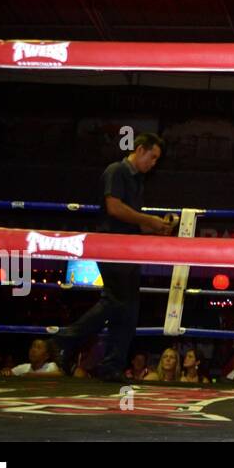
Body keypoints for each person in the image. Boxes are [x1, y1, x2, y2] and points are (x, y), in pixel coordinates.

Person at [56, 134, 175, 383]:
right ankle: (63, 340)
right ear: (140, 149)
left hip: (129, 248)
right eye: (152, 157)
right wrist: (147, 220)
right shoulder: (117, 170)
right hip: (111, 246)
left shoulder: (138, 180)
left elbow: (132, 220)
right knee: (116, 301)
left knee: (129, 310)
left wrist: (158, 226)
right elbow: (115, 208)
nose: (153, 163)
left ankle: (111, 365)